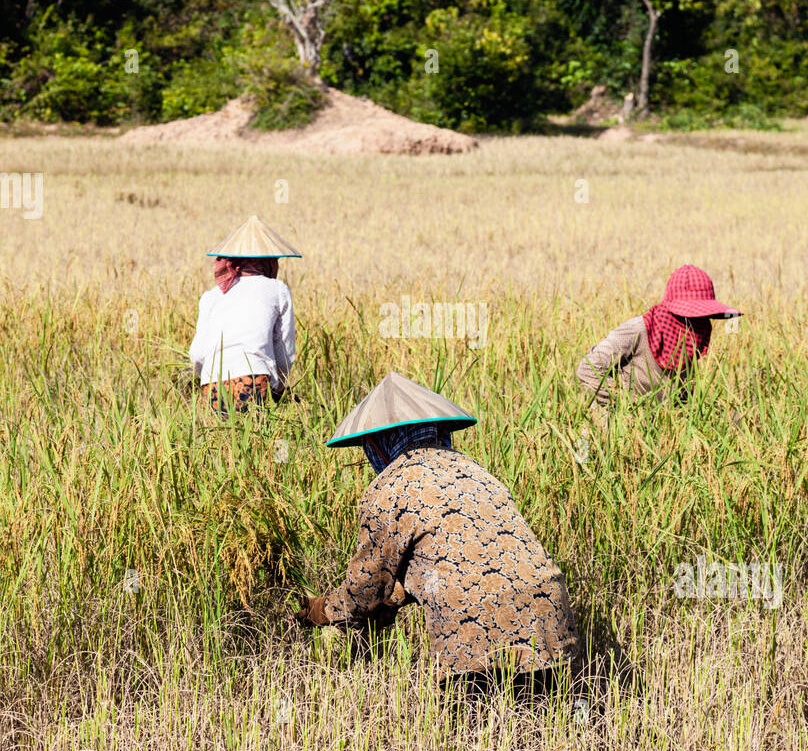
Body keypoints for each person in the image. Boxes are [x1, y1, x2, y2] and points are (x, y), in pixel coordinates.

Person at [298, 371, 579, 698]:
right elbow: (458, 559)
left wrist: (317, 610)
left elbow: (363, 593)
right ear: (438, 431)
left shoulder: (386, 492)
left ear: (376, 445)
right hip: (548, 620)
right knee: (540, 732)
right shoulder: (477, 472)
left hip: (474, 631)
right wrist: (395, 599)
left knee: (471, 737)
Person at [577, 265, 742, 410]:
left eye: (703, 317)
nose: (700, 324)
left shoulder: (691, 342)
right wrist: (623, 406)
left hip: (655, 437)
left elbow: (681, 399)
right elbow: (588, 368)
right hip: (612, 435)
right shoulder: (637, 330)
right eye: (692, 317)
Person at [190, 213, 301, 413]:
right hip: (253, 379)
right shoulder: (277, 289)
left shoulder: (211, 296)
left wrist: (209, 376)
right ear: (270, 262)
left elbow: (197, 354)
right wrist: (279, 387)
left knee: (224, 439)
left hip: (212, 384)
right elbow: (284, 351)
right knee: (256, 439)